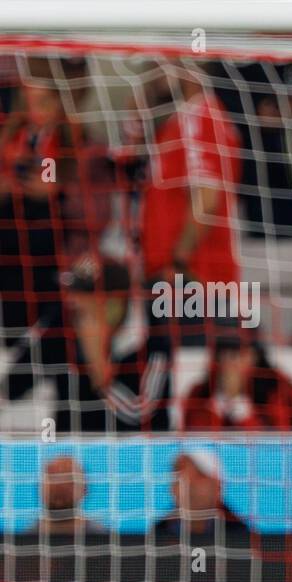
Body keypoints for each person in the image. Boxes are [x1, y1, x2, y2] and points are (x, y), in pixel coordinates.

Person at [1, 256, 171, 433]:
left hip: (136, 453)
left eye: (82, 294)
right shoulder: (64, 326)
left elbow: (138, 411)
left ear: (113, 304)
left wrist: (94, 354)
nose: (70, 300)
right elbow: (12, 386)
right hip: (69, 452)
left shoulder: (152, 342)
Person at [139, 61, 242, 342]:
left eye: (165, 60)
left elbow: (207, 200)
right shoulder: (183, 118)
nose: (156, 68)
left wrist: (178, 262)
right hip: (177, 276)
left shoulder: (201, 117)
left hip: (193, 279)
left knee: (183, 376)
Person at [0, 77, 87, 344]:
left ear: (58, 103)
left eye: (42, 102)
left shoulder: (69, 138)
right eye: (28, 102)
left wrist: (57, 186)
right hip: (10, 234)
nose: (34, 110)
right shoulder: (14, 135)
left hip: (47, 240)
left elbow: (74, 187)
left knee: (43, 307)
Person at [182, 331, 292, 431]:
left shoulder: (280, 389)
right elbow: (194, 442)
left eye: (239, 354)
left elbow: (280, 444)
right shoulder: (200, 392)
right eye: (224, 355)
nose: (231, 362)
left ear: (255, 356)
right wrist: (219, 405)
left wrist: (243, 413)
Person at [150, 448, 250, 538]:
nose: (187, 483)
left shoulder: (243, 538)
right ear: (172, 489)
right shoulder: (155, 536)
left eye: (198, 476)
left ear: (218, 486)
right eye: (178, 476)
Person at [26, 455, 106, 536]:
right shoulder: (23, 542)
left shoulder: (103, 538)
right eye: (52, 477)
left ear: (85, 489)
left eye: (69, 479)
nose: (60, 486)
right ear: (39, 488)